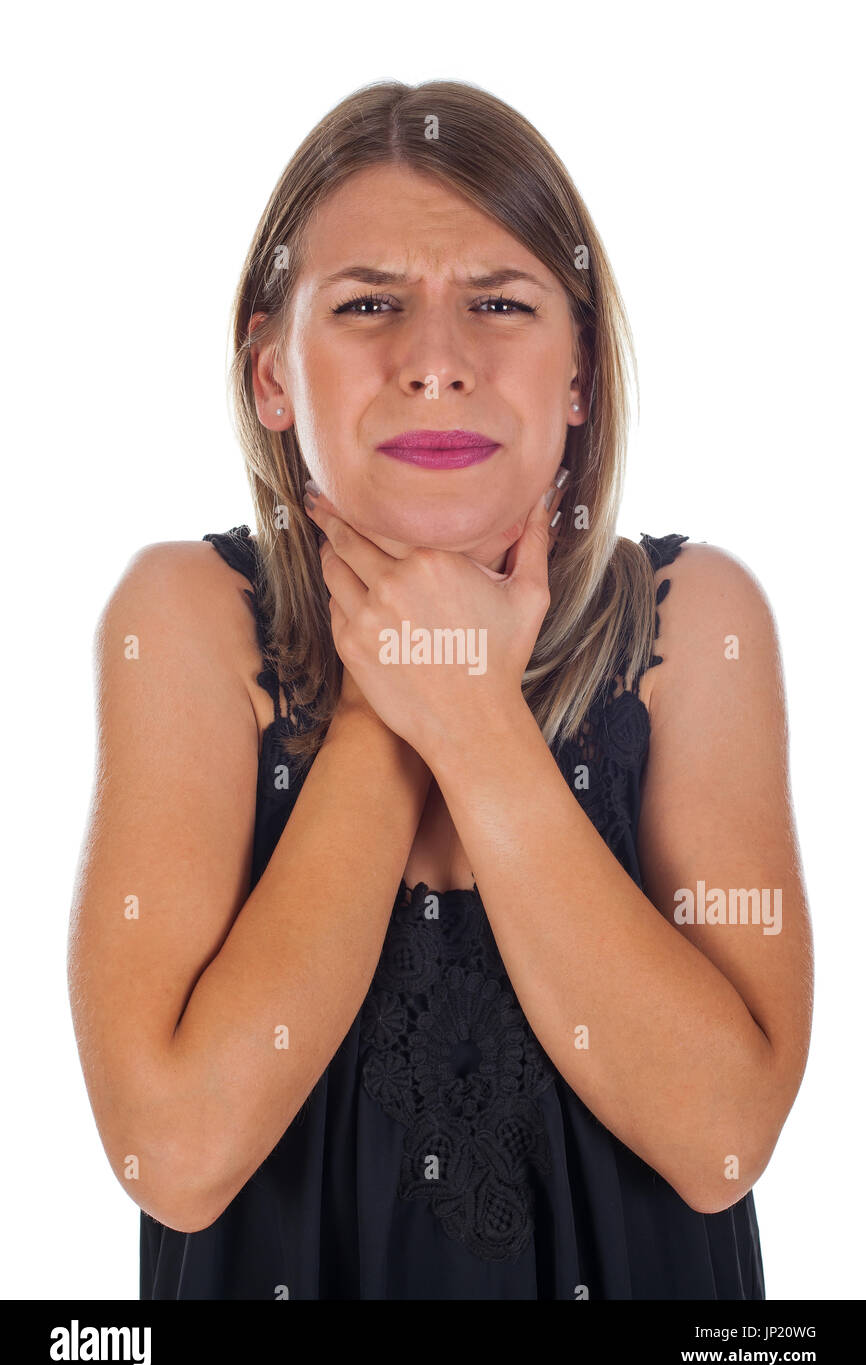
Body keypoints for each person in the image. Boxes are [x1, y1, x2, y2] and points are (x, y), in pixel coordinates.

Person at [68, 79, 813, 1300]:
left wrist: (477, 729)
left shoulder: (691, 623)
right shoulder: (185, 620)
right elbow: (179, 1153)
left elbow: (719, 1138)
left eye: (498, 303)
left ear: (576, 377)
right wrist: (397, 693)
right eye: (368, 304)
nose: (433, 364)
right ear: (269, 374)